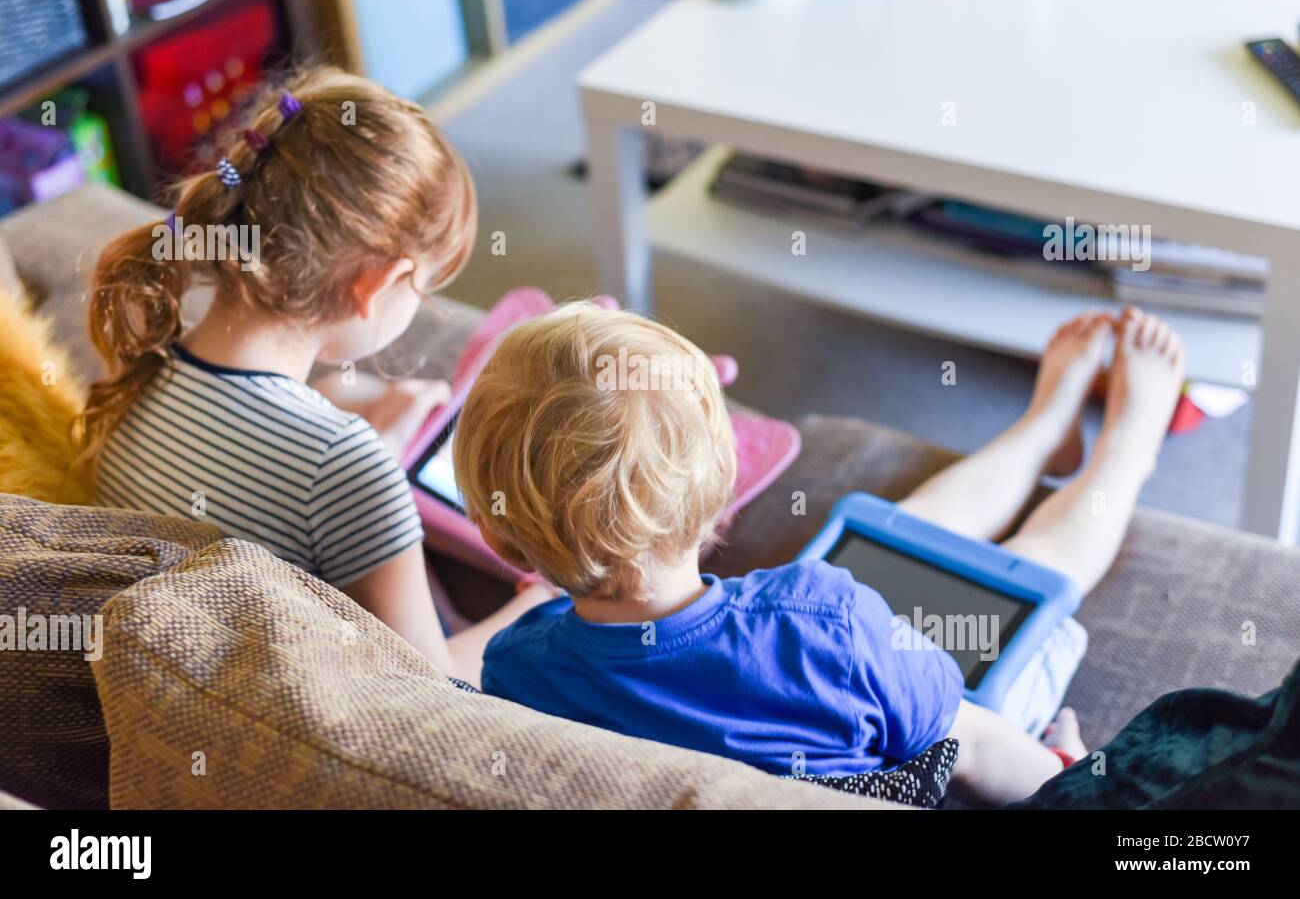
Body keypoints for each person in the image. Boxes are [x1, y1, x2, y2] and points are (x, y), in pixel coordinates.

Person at [456, 301, 1185, 804]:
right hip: (939, 716)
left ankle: (1040, 429)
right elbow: (982, 748)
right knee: (1036, 565)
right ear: (722, 483)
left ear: (500, 532)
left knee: (904, 532)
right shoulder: (821, 616)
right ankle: (1127, 448)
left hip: (859, 664)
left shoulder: (516, 668)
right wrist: (1070, 769)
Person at [76, 66, 549, 688]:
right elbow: (437, 690)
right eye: (425, 290)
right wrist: (536, 605)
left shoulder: (143, 368)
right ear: (375, 285)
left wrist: (365, 457)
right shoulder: (343, 466)